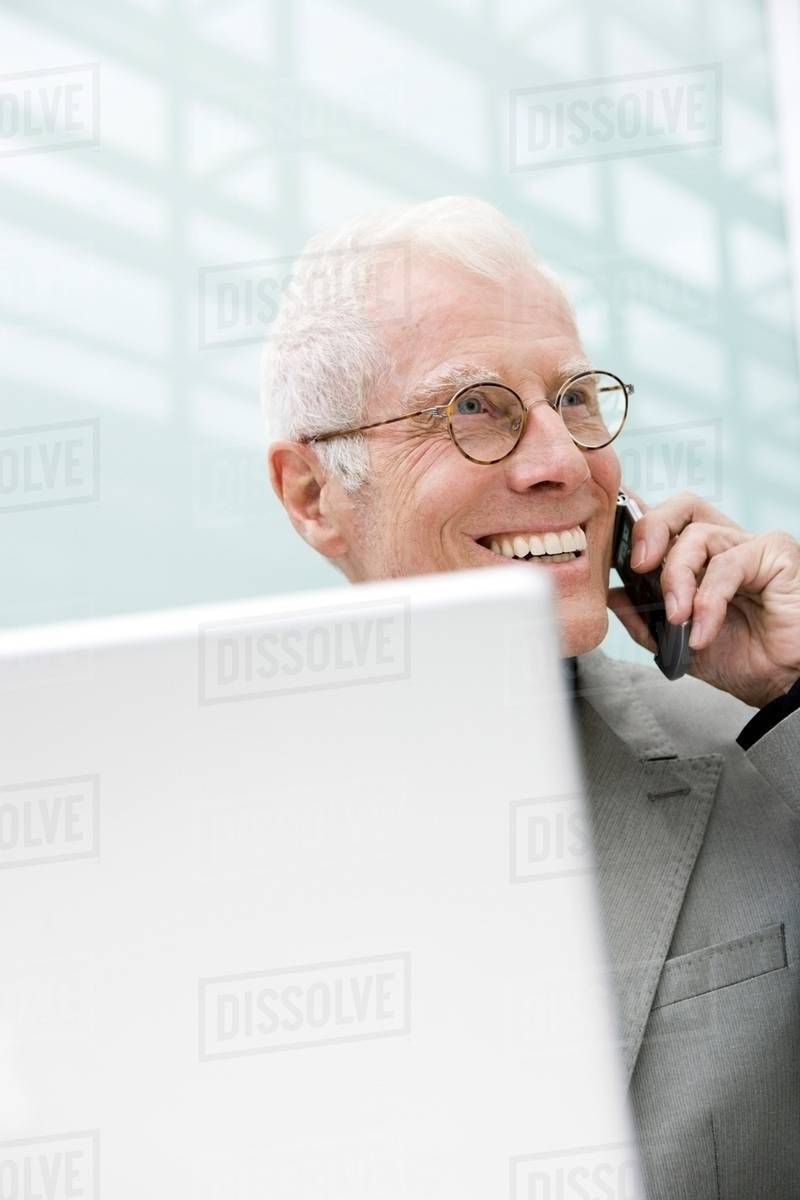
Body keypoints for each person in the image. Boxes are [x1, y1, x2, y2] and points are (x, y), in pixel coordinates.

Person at [264, 197, 800, 1199]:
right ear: (312, 496)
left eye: (576, 400)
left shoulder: (763, 750)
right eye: (473, 408)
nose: (562, 465)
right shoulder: (191, 823)